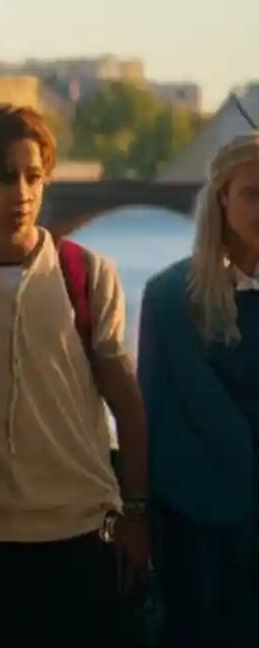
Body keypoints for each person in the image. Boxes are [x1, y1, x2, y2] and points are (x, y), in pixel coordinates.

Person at [0, 104, 151, 648]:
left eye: (34, 177)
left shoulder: (86, 275)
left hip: (81, 527)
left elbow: (125, 400)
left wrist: (136, 512)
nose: (23, 194)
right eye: (6, 178)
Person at [139, 132, 259, 647]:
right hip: (200, 540)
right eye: (253, 193)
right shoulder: (169, 299)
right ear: (222, 199)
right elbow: (152, 416)